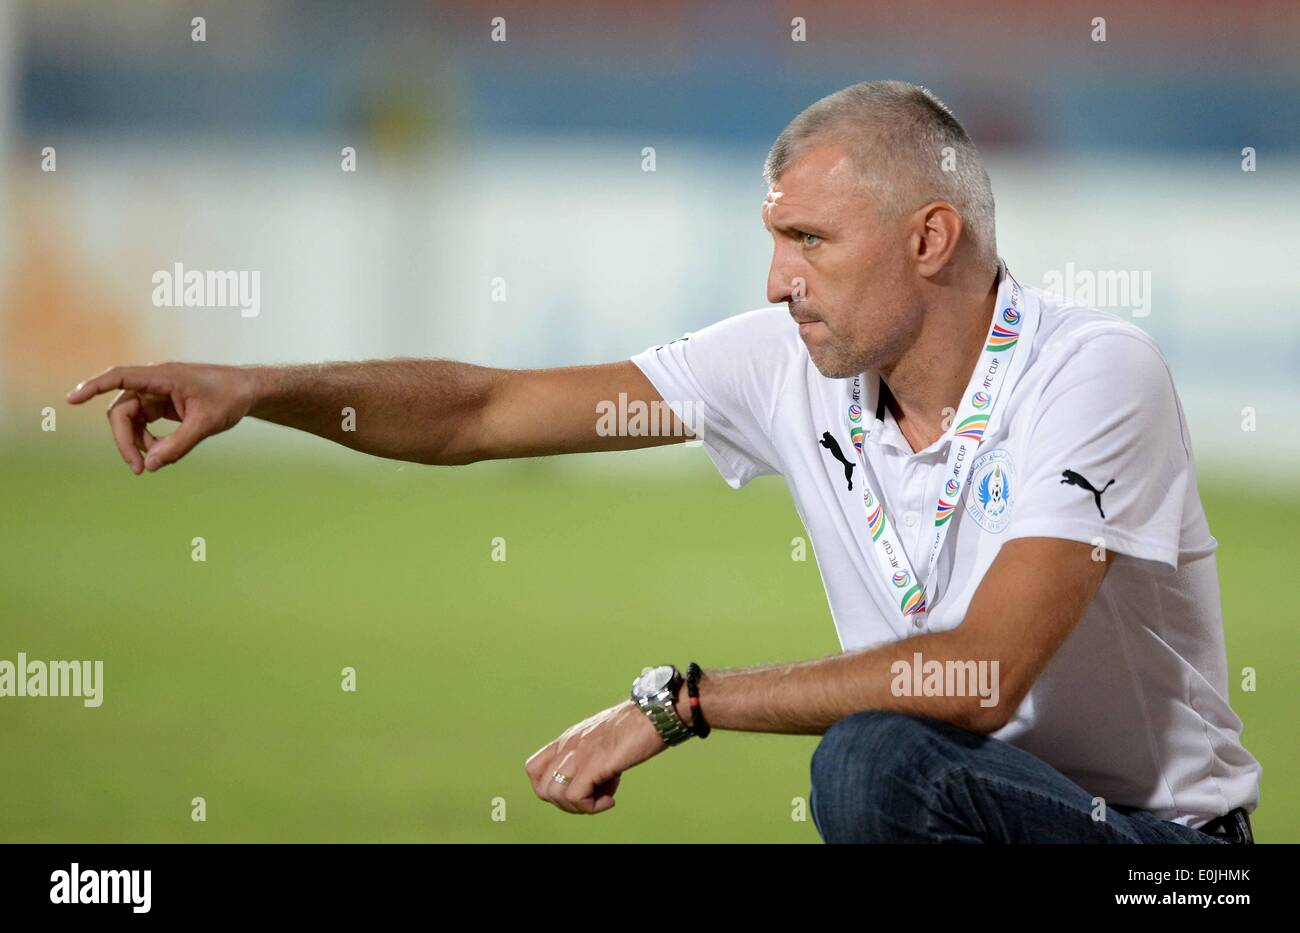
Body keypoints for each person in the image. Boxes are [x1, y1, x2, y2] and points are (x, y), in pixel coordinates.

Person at [66, 80, 1260, 843]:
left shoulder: (1091, 372)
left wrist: (681, 705)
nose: (775, 280)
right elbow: (482, 413)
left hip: (1158, 853)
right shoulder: (781, 363)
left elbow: (977, 680)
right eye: (771, 240)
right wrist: (265, 391)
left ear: (930, 237)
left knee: (876, 763)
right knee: (881, 765)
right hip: (970, 814)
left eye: (807, 241)